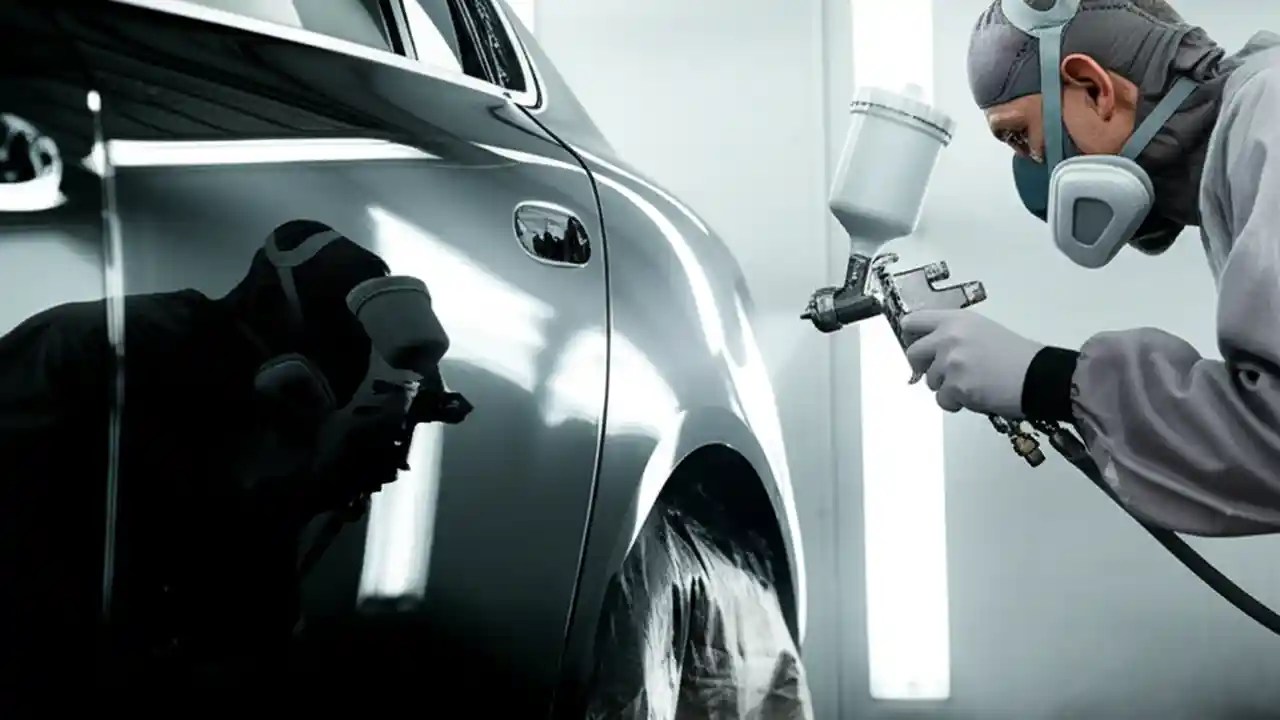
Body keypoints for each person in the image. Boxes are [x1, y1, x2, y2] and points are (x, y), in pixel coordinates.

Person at [900, 0, 1280, 536]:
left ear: (1096, 89)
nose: (1034, 177)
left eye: (1018, 136)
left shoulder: (1270, 118)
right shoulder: (1246, 134)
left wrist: (1052, 380)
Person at [0, 219, 415, 695]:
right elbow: (159, 529)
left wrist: (313, 490)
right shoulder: (113, 347)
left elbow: (240, 602)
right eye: (331, 343)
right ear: (263, 303)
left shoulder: (263, 395)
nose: (328, 377)